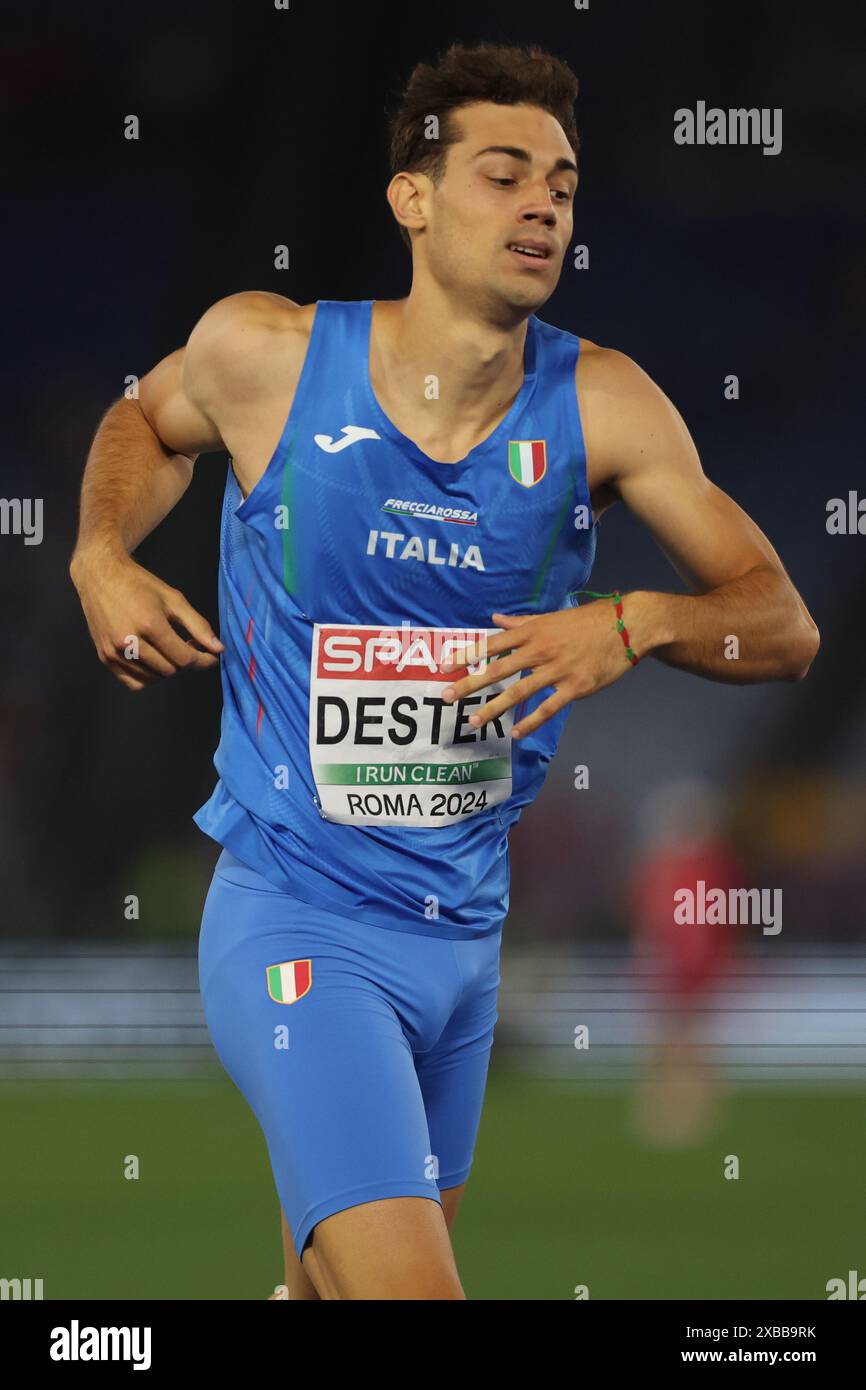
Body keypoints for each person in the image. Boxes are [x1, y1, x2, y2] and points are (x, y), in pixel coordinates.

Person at [69, 42, 819, 1300]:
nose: (542, 205)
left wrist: (625, 623)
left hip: (462, 942)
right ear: (411, 198)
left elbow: (781, 624)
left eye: (564, 185)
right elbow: (144, 420)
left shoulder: (603, 405)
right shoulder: (270, 356)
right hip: (298, 922)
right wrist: (97, 553)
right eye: (503, 172)